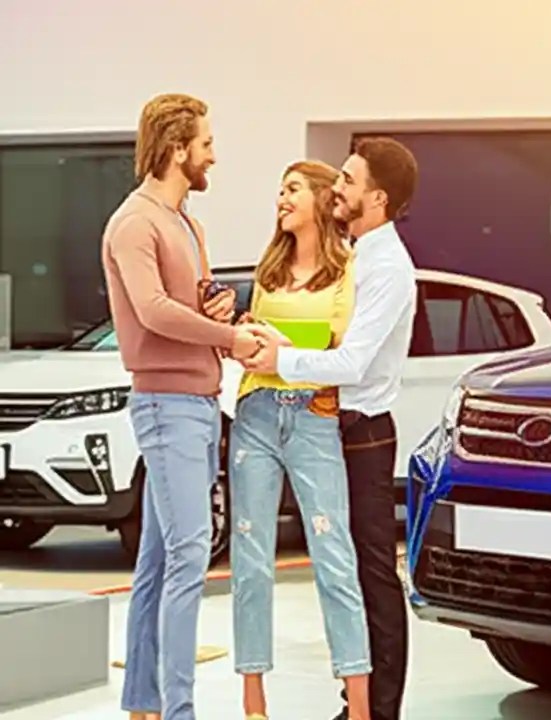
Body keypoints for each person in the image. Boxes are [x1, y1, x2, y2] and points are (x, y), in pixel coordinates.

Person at [103, 93, 266, 720]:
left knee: (158, 561)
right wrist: (230, 337)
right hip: (165, 406)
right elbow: (152, 312)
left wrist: (217, 309)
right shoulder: (133, 223)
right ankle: (179, 711)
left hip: (198, 406)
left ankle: (142, 702)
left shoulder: (188, 225)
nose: (213, 156)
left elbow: (186, 305)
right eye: (205, 144)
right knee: (191, 554)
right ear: (177, 149)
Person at [244, 136, 418, 720]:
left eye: (346, 180)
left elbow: (351, 363)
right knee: (339, 568)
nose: (336, 188)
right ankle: (357, 703)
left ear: (378, 196)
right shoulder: (347, 256)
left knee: (369, 572)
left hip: (360, 431)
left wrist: (279, 359)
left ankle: (378, 711)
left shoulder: (389, 268)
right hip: (318, 423)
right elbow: (325, 337)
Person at [228, 160, 372, 720]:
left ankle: (358, 707)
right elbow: (261, 348)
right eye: (279, 190)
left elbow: (340, 349)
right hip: (255, 413)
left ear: (317, 199)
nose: (280, 199)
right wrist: (243, 335)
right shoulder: (267, 272)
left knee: (335, 559)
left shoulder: (346, 273)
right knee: (251, 559)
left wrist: (279, 343)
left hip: (314, 415)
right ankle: (253, 703)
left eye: (290, 190)